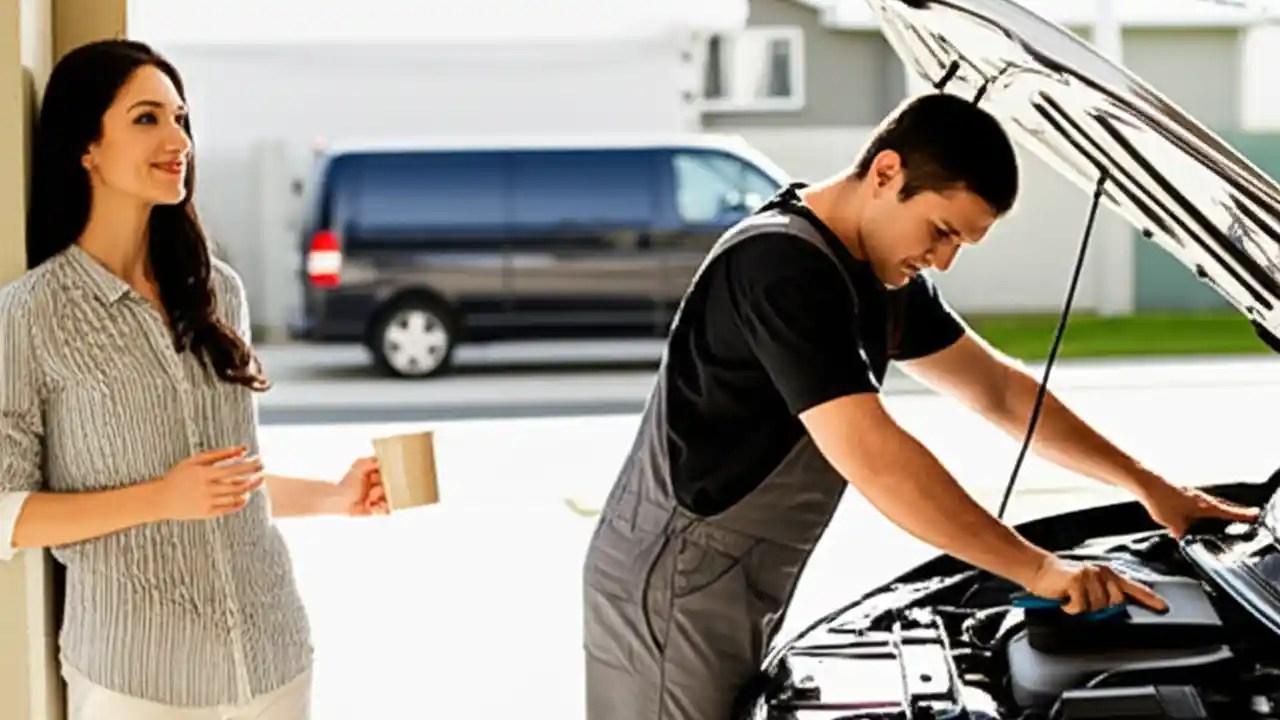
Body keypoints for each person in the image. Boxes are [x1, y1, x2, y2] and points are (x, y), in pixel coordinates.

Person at [580, 92, 1259, 720]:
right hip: (675, 581)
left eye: (959, 244)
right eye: (940, 232)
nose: (942, 261)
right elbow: (875, 456)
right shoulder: (783, 269)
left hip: (732, 576)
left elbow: (997, 389)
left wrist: (1147, 485)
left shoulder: (876, 270)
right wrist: (1038, 567)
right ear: (885, 171)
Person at [0, 40, 389, 719]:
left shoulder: (216, 291)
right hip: (138, 679)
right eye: (148, 118)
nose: (178, 138)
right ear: (86, 146)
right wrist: (159, 498)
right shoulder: (32, 315)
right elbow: (7, 512)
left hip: (272, 660)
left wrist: (335, 495)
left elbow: (224, 485)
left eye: (181, 119)